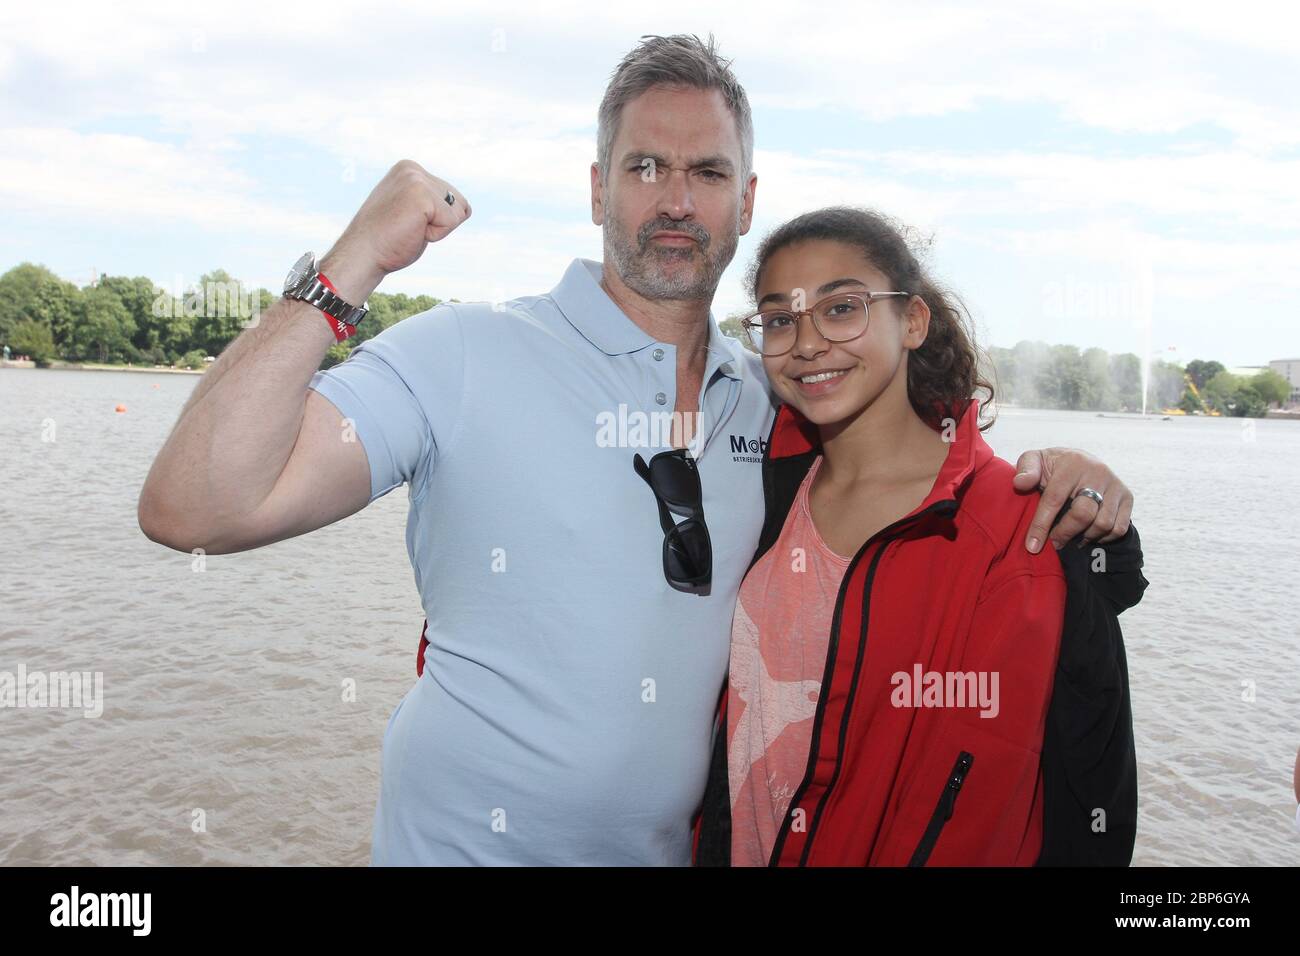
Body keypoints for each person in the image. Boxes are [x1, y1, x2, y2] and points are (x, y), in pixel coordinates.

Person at [138, 34, 1136, 866]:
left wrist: (1073, 491)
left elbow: (914, 487)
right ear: (595, 188)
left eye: (706, 172)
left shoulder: (779, 399)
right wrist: (350, 263)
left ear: (746, 200)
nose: (674, 200)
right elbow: (197, 508)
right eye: (644, 166)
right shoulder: (461, 352)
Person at [692, 207, 1145, 866]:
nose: (808, 342)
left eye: (841, 308)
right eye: (781, 320)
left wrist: (1109, 540)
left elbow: (1091, 779)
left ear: (911, 321)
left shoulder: (1024, 528)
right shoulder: (758, 485)